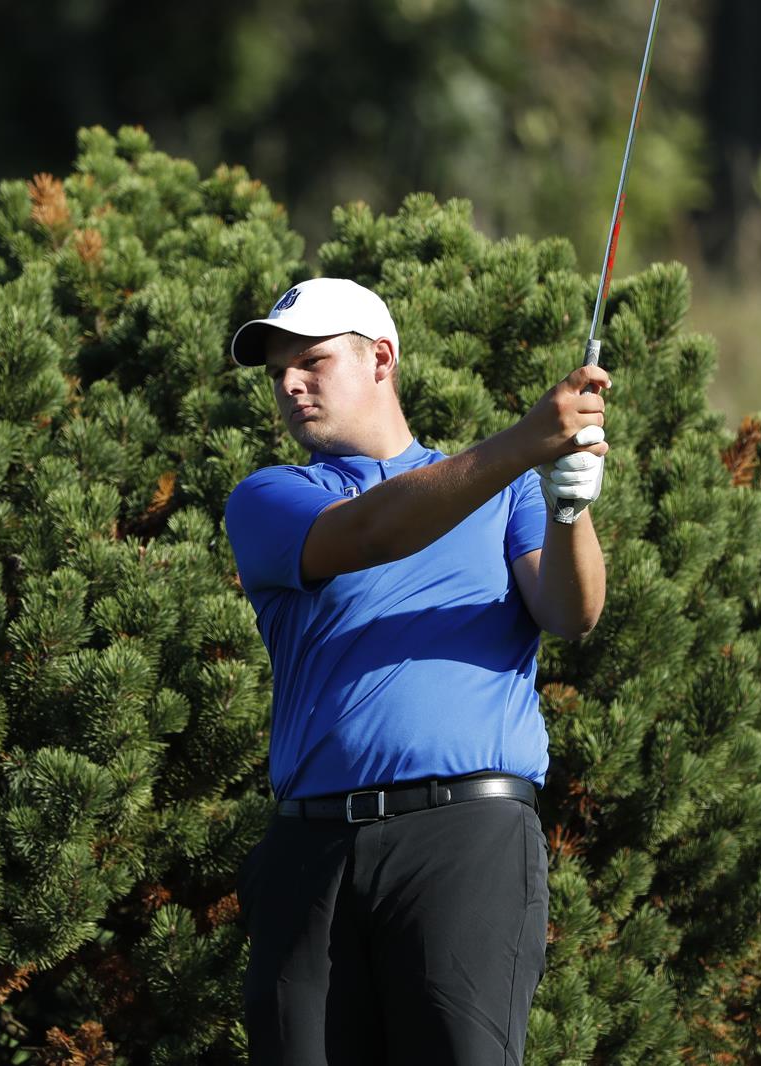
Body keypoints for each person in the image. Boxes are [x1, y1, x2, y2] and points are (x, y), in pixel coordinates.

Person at [222, 277, 610, 1066]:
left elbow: (570, 613)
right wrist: (526, 443)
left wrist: (568, 508)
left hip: (465, 837)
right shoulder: (272, 496)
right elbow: (373, 532)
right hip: (311, 850)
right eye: (278, 373)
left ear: (381, 360)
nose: (291, 383)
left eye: (313, 361)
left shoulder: (505, 498)